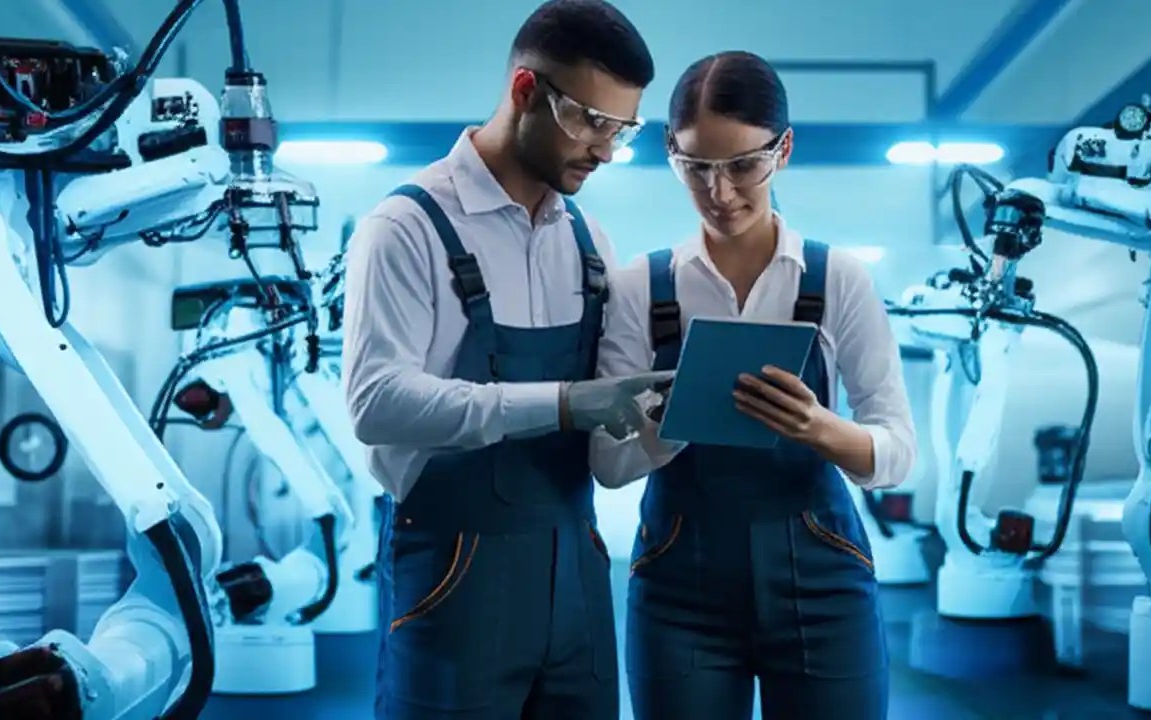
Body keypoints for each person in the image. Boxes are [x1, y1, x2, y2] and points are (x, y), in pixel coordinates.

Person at [340, 2, 670, 718]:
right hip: (454, 572)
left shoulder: (589, 242)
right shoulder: (406, 227)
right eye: (590, 120)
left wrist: (674, 415)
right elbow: (375, 403)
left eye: (621, 128)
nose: (606, 149)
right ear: (525, 92)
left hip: (578, 571)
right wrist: (559, 403)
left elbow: (609, 458)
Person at [590, 51, 917, 720]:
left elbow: (897, 453)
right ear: (669, 153)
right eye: (695, 168)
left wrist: (819, 428)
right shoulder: (639, 288)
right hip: (679, 586)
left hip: (822, 576)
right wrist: (675, 417)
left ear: (783, 150)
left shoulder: (836, 281)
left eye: (743, 164)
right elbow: (606, 464)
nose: (721, 192)